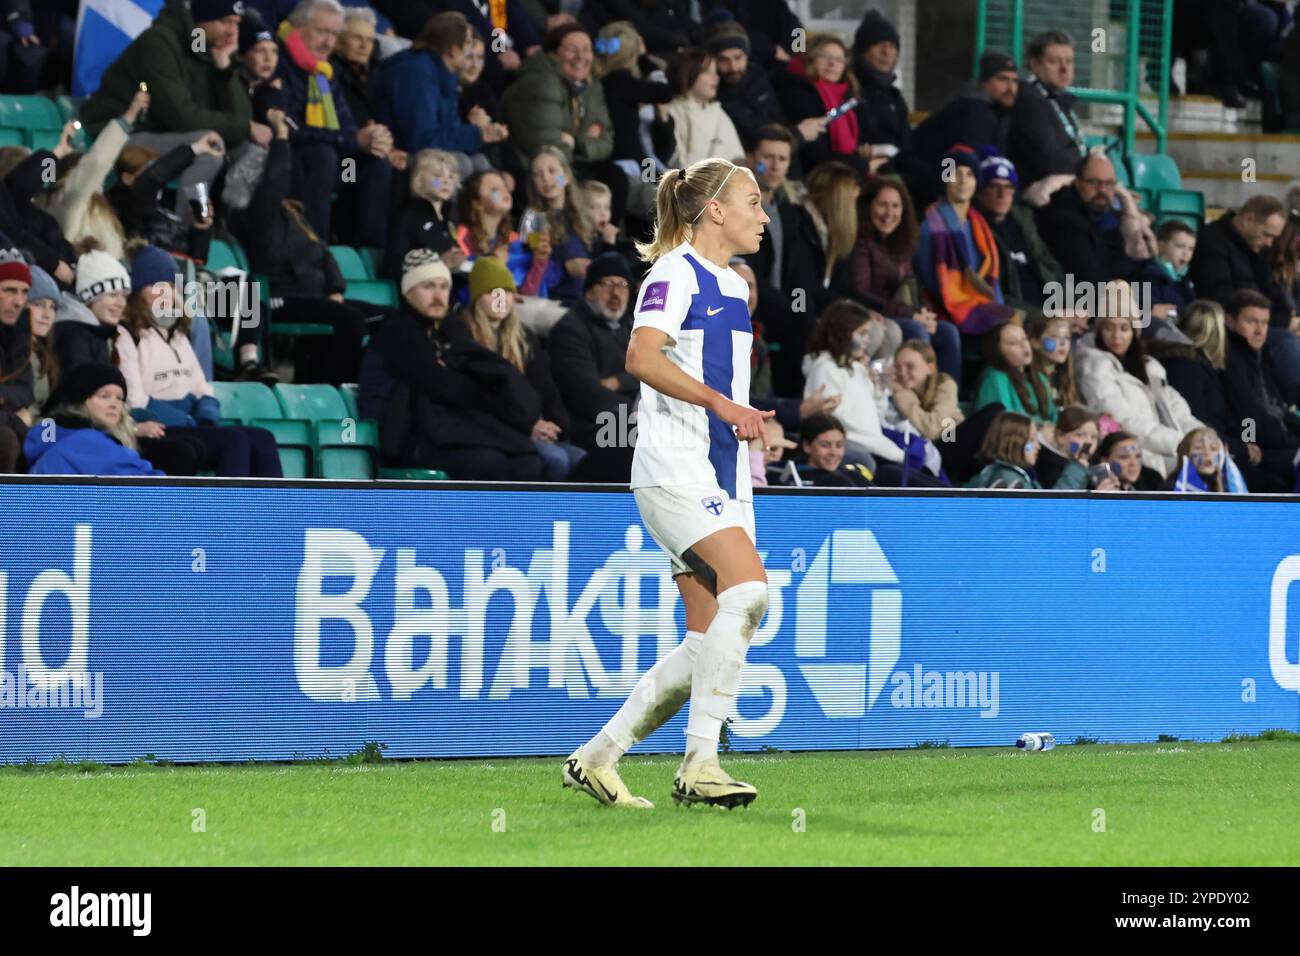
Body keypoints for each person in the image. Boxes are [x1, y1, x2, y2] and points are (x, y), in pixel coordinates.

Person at [564, 157, 772, 810]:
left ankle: (597, 757)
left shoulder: (735, 287)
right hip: (674, 469)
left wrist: (740, 415)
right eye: (754, 202)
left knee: (708, 635)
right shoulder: (672, 273)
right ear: (715, 211)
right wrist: (722, 405)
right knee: (752, 593)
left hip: (722, 474)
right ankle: (701, 765)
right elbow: (640, 355)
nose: (763, 216)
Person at [358, 249, 546, 480]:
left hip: (454, 426)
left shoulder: (451, 328)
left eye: (443, 286)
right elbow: (444, 385)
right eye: (427, 286)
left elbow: (474, 375)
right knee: (489, 463)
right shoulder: (398, 332)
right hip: (408, 434)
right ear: (407, 292)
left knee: (528, 461)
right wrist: (468, 382)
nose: (437, 295)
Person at [81, 0, 260, 224]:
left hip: (169, 133)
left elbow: (242, 120)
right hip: (123, 131)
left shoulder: (211, 47)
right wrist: (242, 127)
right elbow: (180, 115)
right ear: (203, 18)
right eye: (225, 22)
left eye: (236, 24)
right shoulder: (159, 43)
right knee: (208, 149)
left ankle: (232, 232)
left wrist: (224, 71)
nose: (232, 32)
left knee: (251, 152)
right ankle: (189, 229)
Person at [119, 246, 283, 478]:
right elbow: (135, 399)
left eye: (171, 286)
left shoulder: (178, 332)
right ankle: (226, 513)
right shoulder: (128, 335)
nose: (167, 294)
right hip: (158, 426)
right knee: (234, 441)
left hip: (190, 422)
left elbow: (201, 386)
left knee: (263, 439)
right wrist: (186, 419)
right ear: (138, 293)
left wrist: (206, 417)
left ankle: (276, 511)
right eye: (157, 287)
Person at [230, 108, 366, 385]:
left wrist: (335, 288)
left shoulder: (292, 212)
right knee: (349, 320)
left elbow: (323, 251)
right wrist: (281, 137)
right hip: (281, 297)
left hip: (317, 296)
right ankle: (332, 388)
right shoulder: (254, 214)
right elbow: (276, 180)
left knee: (388, 319)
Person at [275, 0, 394, 246]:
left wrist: (371, 138)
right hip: (291, 162)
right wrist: (351, 139)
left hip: (338, 169)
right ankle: (313, 246)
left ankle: (365, 253)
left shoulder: (322, 73)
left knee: (374, 164)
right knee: (323, 156)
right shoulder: (279, 62)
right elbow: (291, 129)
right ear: (297, 28)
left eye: (334, 34)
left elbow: (347, 129)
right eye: (321, 31)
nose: (329, 42)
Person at [462, 255, 584, 480]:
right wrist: (529, 426)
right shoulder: (466, 337)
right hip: (501, 432)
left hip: (535, 428)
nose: (501, 300)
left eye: (506, 292)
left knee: (582, 461)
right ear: (477, 298)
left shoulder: (524, 338)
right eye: (492, 293)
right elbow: (481, 399)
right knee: (556, 461)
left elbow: (546, 388)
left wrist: (554, 425)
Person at [1075, 288, 1204, 478]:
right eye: (1108, 328)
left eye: (1124, 328)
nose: (1116, 336)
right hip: (1140, 456)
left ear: (1134, 332)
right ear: (1099, 330)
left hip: (1171, 448)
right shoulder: (1094, 367)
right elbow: (1125, 421)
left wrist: (1202, 438)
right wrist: (1182, 444)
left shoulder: (1149, 366)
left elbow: (1178, 411)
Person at [848, 177, 959, 382]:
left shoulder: (901, 243)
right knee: (916, 331)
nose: (889, 213)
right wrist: (912, 315)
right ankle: (915, 397)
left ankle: (948, 398)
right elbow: (860, 293)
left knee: (947, 332)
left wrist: (925, 314)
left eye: (896, 206)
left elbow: (914, 285)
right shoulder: (861, 242)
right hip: (874, 315)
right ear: (868, 206)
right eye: (882, 205)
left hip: (900, 313)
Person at [369, 11, 504, 175]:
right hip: (401, 155)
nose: (470, 49)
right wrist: (477, 134)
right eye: (468, 43)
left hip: (427, 149)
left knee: (481, 164)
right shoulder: (416, 73)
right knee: (463, 164)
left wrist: (479, 133)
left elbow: (448, 131)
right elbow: (422, 141)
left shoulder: (447, 75)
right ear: (454, 50)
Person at [914, 145, 1018, 338]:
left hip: (980, 308)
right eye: (955, 173)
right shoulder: (930, 228)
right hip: (947, 313)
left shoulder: (981, 227)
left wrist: (996, 310)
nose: (963, 180)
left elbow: (993, 287)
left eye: (970, 174)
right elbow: (935, 287)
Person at [547, 251, 639, 452]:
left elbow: (649, 374)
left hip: (625, 417)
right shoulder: (570, 330)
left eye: (623, 285)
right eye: (607, 284)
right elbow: (588, 395)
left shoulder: (628, 327)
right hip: (592, 428)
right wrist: (636, 410)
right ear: (589, 290)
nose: (616, 293)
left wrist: (619, 381)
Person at [801, 299, 905, 474]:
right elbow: (837, 423)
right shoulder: (824, 367)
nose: (867, 341)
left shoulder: (857, 368)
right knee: (873, 464)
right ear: (844, 333)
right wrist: (878, 444)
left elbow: (876, 417)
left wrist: (879, 387)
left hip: (874, 445)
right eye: (862, 333)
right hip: (852, 446)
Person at [24, 362, 165, 477]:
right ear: (80, 400)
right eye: (105, 396)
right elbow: (150, 483)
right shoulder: (88, 442)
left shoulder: (49, 434)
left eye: (120, 398)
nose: (115, 404)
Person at [1221, 289, 1300, 491]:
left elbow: (1279, 408)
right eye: (1251, 321)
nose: (1259, 330)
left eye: (1264, 323)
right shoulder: (1232, 362)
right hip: (1259, 450)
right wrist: (1288, 442)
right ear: (1230, 321)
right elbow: (1250, 419)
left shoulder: (1261, 357)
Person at [913, 51, 1019, 194]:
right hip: (928, 193)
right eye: (1002, 79)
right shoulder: (973, 112)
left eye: (1014, 81)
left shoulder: (997, 111)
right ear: (984, 83)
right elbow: (952, 157)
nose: (1011, 88)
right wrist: (946, 191)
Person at [972, 149, 1064, 313]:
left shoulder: (1023, 222)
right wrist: (1046, 317)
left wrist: (1073, 306)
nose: (1003, 195)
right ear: (979, 192)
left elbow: (1052, 268)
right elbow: (994, 295)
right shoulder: (973, 229)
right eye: (994, 186)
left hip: (1052, 313)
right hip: (1018, 318)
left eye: (1008, 187)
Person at [771, 33, 872, 176]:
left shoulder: (849, 99)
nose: (832, 63)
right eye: (825, 56)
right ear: (810, 59)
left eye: (839, 59)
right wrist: (863, 165)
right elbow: (816, 156)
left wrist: (861, 152)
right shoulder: (797, 92)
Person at [1007, 30, 1088, 190]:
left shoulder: (1060, 100)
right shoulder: (1029, 99)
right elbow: (1049, 161)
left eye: (1069, 61)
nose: (1064, 69)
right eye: (1054, 61)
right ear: (1035, 65)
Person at [382, 149, 465, 279]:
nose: (446, 181)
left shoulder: (451, 218)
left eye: (451, 177)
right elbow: (392, 266)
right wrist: (438, 264)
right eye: (437, 176)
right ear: (419, 179)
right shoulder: (409, 216)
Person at [664, 47, 746, 169]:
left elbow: (737, 158)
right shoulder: (674, 110)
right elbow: (675, 160)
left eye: (716, 72)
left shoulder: (718, 112)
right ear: (688, 73)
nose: (716, 78)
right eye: (707, 72)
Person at [965, 411, 1086, 489]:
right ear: (1014, 443)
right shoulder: (1008, 480)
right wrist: (1076, 470)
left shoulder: (1018, 475)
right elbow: (1049, 511)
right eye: (1032, 440)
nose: (1037, 446)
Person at [974, 320, 1057, 422]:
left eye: (1024, 339)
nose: (1023, 346)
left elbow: (1054, 418)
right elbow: (1002, 422)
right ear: (998, 351)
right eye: (1013, 343)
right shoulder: (995, 378)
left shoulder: (1040, 378)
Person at [0, 247, 31, 471]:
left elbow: (25, 389)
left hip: (13, 418)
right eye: (10, 290)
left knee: (51, 437)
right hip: (11, 422)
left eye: (24, 291)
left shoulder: (20, 330)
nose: (19, 301)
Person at [795, 413, 873, 487]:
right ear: (807, 446)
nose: (833, 452)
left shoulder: (853, 475)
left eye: (839, 445)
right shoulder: (794, 478)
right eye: (825, 445)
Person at [1166, 427, 1247, 493]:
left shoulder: (1230, 486)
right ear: (1185, 453)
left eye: (1213, 448)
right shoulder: (1172, 488)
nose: (1207, 453)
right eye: (1198, 448)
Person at [1026, 312, 1080, 412]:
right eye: (1054, 337)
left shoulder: (1063, 377)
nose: (1063, 343)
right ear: (1035, 342)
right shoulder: (1027, 378)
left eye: (1067, 337)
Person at [1096, 429, 1165, 491]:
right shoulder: (1091, 487)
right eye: (1124, 457)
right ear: (1105, 461)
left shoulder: (1153, 480)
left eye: (1138, 456)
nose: (1133, 463)